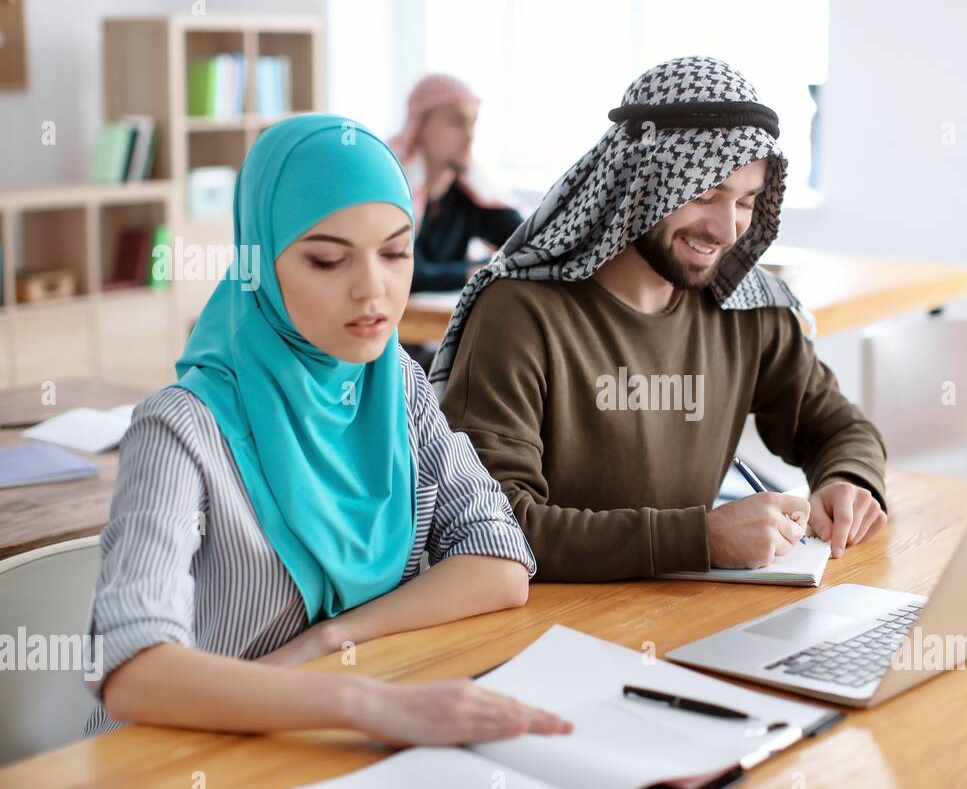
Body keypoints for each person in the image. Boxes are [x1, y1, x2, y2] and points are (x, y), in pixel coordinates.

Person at [86, 114, 571, 746]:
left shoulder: (395, 384)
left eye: (396, 252)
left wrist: (330, 640)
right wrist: (355, 699)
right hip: (170, 762)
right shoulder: (180, 428)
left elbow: (501, 563)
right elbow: (131, 671)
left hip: (314, 743)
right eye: (327, 260)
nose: (373, 289)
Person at [435, 57, 889, 582]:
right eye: (704, 195)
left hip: (686, 614)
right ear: (639, 184)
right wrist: (702, 538)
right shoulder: (519, 315)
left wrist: (849, 480)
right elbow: (495, 527)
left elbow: (837, 426)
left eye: (746, 201)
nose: (726, 230)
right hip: (548, 627)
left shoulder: (747, 307)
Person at [389, 73, 524, 293]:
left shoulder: (469, 194)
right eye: (457, 122)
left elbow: (526, 242)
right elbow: (405, 271)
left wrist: (479, 268)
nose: (470, 135)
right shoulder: (392, 193)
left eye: (473, 122)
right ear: (421, 127)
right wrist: (473, 270)